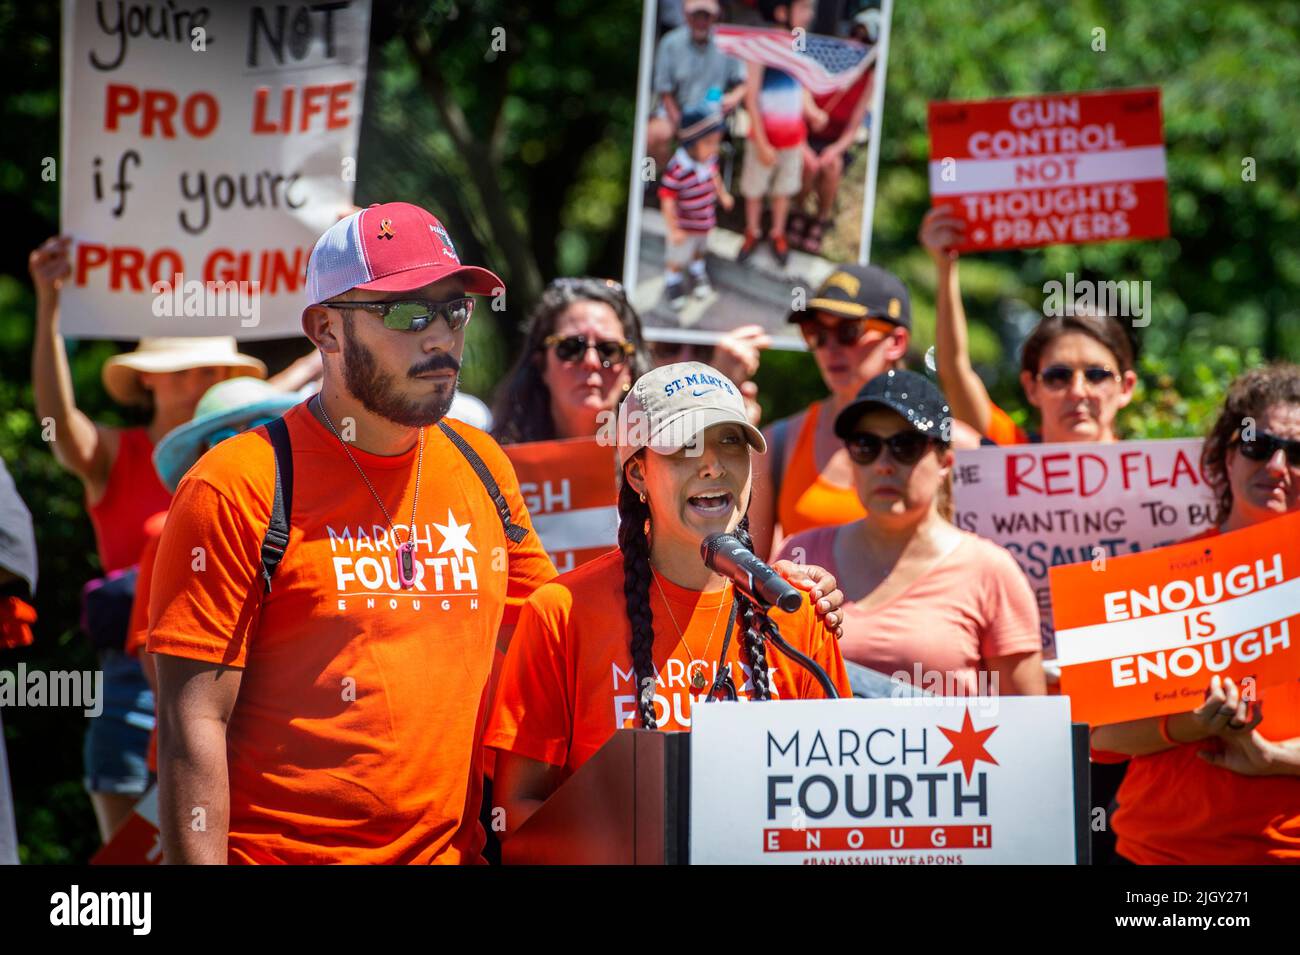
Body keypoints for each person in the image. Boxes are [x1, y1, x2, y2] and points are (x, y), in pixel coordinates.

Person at [146, 201, 560, 864]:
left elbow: (564, 635)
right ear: (326, 330)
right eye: (407, 311)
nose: (440, 337)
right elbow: (191, 722)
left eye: (455, 309)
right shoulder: (238, 483)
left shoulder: (485, 467)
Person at [487, 361, 851, 833]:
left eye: (731, 441)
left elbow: (836, 798)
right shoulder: (561, 613)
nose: (714, 464)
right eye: (684, 447)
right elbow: (515, 809)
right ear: (637, 474)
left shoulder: (795, 610)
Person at [28, 235, 268, 843]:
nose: (200, 382)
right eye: (184, 370)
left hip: (235, 679)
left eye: (214, 371)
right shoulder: (115, 454)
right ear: (148, 384)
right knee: (129, 872)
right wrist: (49, 307)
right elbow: (57, 420)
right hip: (133, 691)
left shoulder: (254, 462)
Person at [1090, 363, 1300, 864]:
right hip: (1155, 859)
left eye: (1297, 453)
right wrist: (1189, 722)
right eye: (1257, 444)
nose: (1275, 465)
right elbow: (1102, 738)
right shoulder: (1156, 580)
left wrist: (1274, 760)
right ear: (1227, 458)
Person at [776, 370, 1045, 695]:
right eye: (866, 445)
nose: (883, 465)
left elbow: (1027, 724)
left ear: (945, 461)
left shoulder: (992, 571)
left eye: (905, 446)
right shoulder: (799, 555)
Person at [124, 377, 306, 785]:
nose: (243, 445)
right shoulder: (168, 531)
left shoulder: (311, 532)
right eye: (225, 435)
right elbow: (154, 657)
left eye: (264, 428)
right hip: (203, 761)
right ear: (200, 455)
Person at [920, 207, 1138, 445]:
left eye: (1097, 375)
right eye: (1057, 376)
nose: (1077, 391)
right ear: (1031, 386)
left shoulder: (1158, 472)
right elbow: (953, 371)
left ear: (1126, 387)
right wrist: (945, 267)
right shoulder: (1012, 455)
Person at [748, 263, 911, 559]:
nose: (830, 348)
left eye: (849, 331)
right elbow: (753, 579)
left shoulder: (945, 443)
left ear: (896, 342)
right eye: (816, 333)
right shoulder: (777, 444)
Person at [737, 0, 826, 268]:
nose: (810, 15)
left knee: (783, 191)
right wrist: (762, 144)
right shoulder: (762, 47)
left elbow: (802, 90)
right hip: (762, 138)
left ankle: (778, 233)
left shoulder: (800, 48)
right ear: (781, 11)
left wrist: (812, 112)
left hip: (792, 138)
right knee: (754, 189)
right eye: (804, 8)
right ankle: (752, 231)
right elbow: (751, 99)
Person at [646, 0, 746, 171]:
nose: (701, 21)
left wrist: (733, 97)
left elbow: (743, 83)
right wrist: (680, 122)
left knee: (704, 144)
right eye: (696, 16)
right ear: (686, 16)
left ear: (715, 16)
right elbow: (665, 92)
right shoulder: (670, 43)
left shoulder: (726, 43)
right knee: (653, 134)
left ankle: (699, 187)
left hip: (711, 116)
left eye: (705, 16)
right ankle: (669, 178)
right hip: (676, 113)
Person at [659, 103, 735, 309]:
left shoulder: (709, 158)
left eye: (716, 143)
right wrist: (673, 229)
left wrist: (723, 195)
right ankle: (672, 281)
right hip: (683, 227)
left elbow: (715, 175)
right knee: (677, 258)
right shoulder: (678, 169)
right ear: (691, 143)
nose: (714, 148)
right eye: (708, 142)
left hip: (704, 220)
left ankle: (697, 270)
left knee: (700, 249)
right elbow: (667, 200)